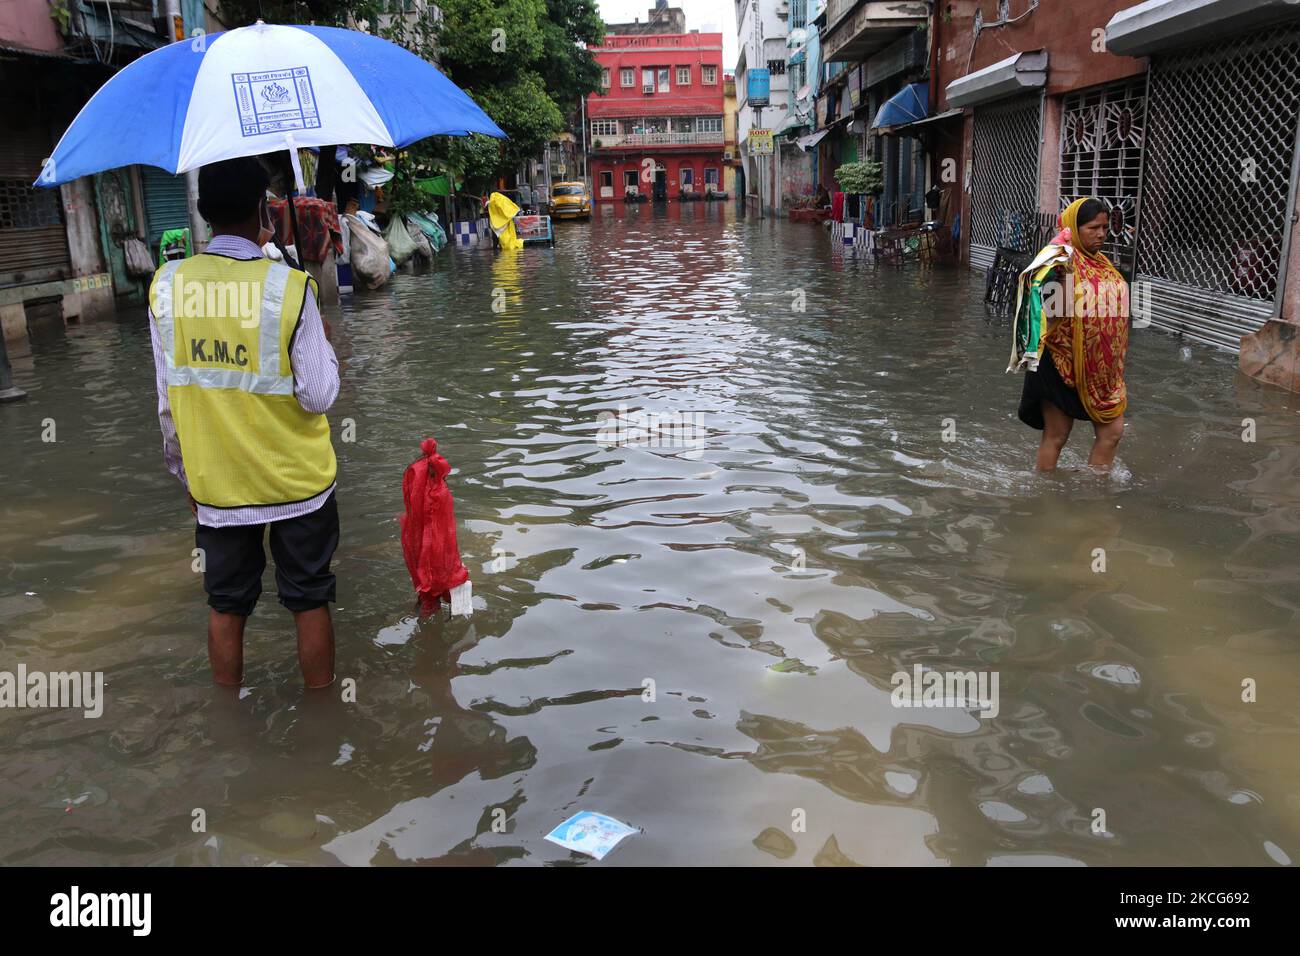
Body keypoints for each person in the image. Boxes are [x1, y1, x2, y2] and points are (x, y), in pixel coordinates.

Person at [147, 156, 341, 688]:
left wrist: (187, 475)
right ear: (264, 211)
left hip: (219, 488)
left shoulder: (167, 286)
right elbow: (320, 395)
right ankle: (323, 720)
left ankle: (228, 722)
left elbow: (168, 402)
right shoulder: (291, 288)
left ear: (205, 214)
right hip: (297, 483)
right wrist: (321, 337)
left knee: (226, 605)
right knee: (309, 599)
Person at [1011, 197, 1129, 471]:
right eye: (1092, 228)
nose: (1101, 234)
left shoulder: (1102, 263)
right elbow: (1044, 312)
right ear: (1074, 228)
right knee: (1057, 435)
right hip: (1058, 362)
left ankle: (1094, 498)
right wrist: (1065, 284)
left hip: (1100, 369)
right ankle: (1045, 496)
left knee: (1112, 433)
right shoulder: (1058, 264)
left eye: (1104, 227)